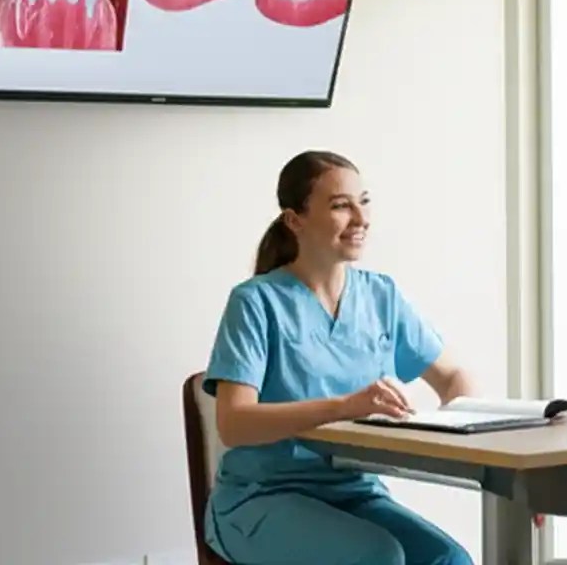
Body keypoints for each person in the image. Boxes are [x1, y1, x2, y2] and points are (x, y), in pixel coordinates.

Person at [201, 150, 476, 565]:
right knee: (378, 557)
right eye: (340, 206)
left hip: (355, 493)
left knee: (448, 559)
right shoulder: (255, 302)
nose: (361, 219)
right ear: (295, 220)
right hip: (262, 499)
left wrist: (454, 422)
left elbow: (453, 374)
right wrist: (345, 407)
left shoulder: (381, 296)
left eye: (363, 202)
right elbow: (234, 423)